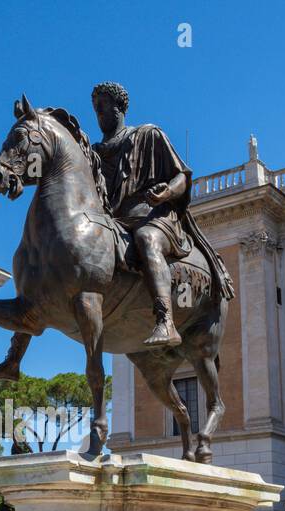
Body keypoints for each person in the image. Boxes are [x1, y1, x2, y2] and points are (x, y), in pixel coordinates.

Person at [89, 81, 233, 348]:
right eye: (95, 110)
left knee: (146, 239)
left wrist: (166, 192)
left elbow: (181, 176)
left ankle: (166, 320)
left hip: (154, 216)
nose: (98, 115)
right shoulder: (95, 154)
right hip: (116, 222)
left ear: (119, 108)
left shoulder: (148, 134)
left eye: (102, 108)